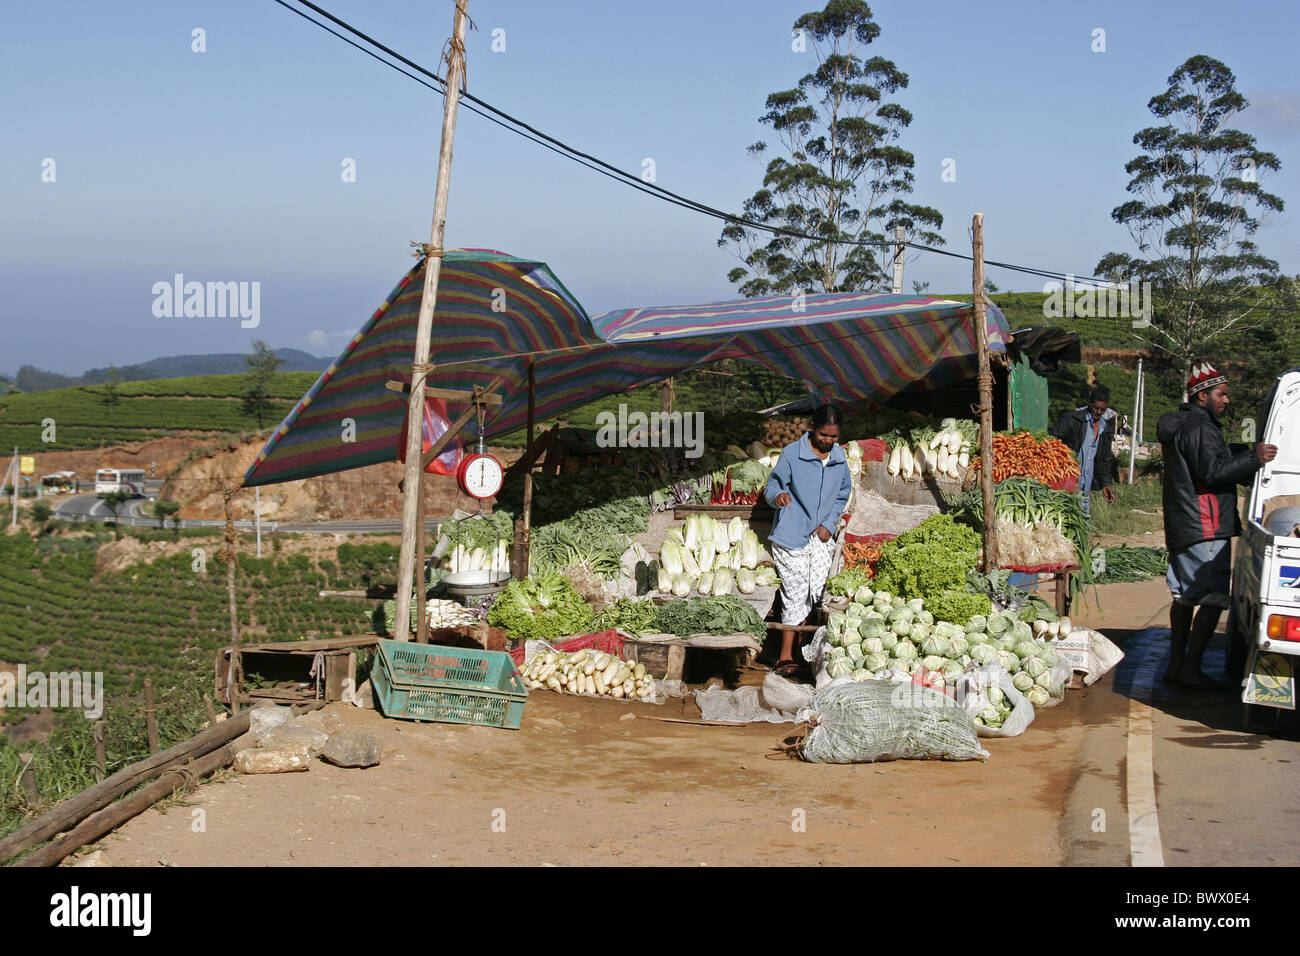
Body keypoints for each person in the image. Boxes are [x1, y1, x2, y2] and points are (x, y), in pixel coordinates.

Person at [1156, 362, 1276, 689]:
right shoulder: (1200, 428)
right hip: (1206, 524)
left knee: (1184, 596)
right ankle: (1190, 668)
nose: (1226, 400)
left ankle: (1176, 664)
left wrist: (1239, 452)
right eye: (1220, 394)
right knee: (1210, 597)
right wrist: (1256, 458)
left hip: (1186, 522)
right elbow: (1213, 472)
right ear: (1201, 396)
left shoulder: (1187, 426)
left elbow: (1213, 461)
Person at [763, 404, 853, 677]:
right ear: (813, 427)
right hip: (792, 533)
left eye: (834, 437)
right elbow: (772, 486)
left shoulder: (839, 458)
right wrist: (778, 498)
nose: (828, 441)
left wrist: (828, 524)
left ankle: (805, 650)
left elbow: (842, 496)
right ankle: (784, 656)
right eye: (824, 434)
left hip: (821, 536)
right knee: (795, 592)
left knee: (817, 591)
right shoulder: (793, 454)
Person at [1050, 385, 1117, 514]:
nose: (1098, 412)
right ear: (1088, 403)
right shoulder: (1072, 420)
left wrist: (1106, 484)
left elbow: (1104, 459)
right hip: (1066, 484)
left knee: (1081, 522)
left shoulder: (1105, 429)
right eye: (1095, 408)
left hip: (1086, 487)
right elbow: (1053, 443)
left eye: (1102, 410)